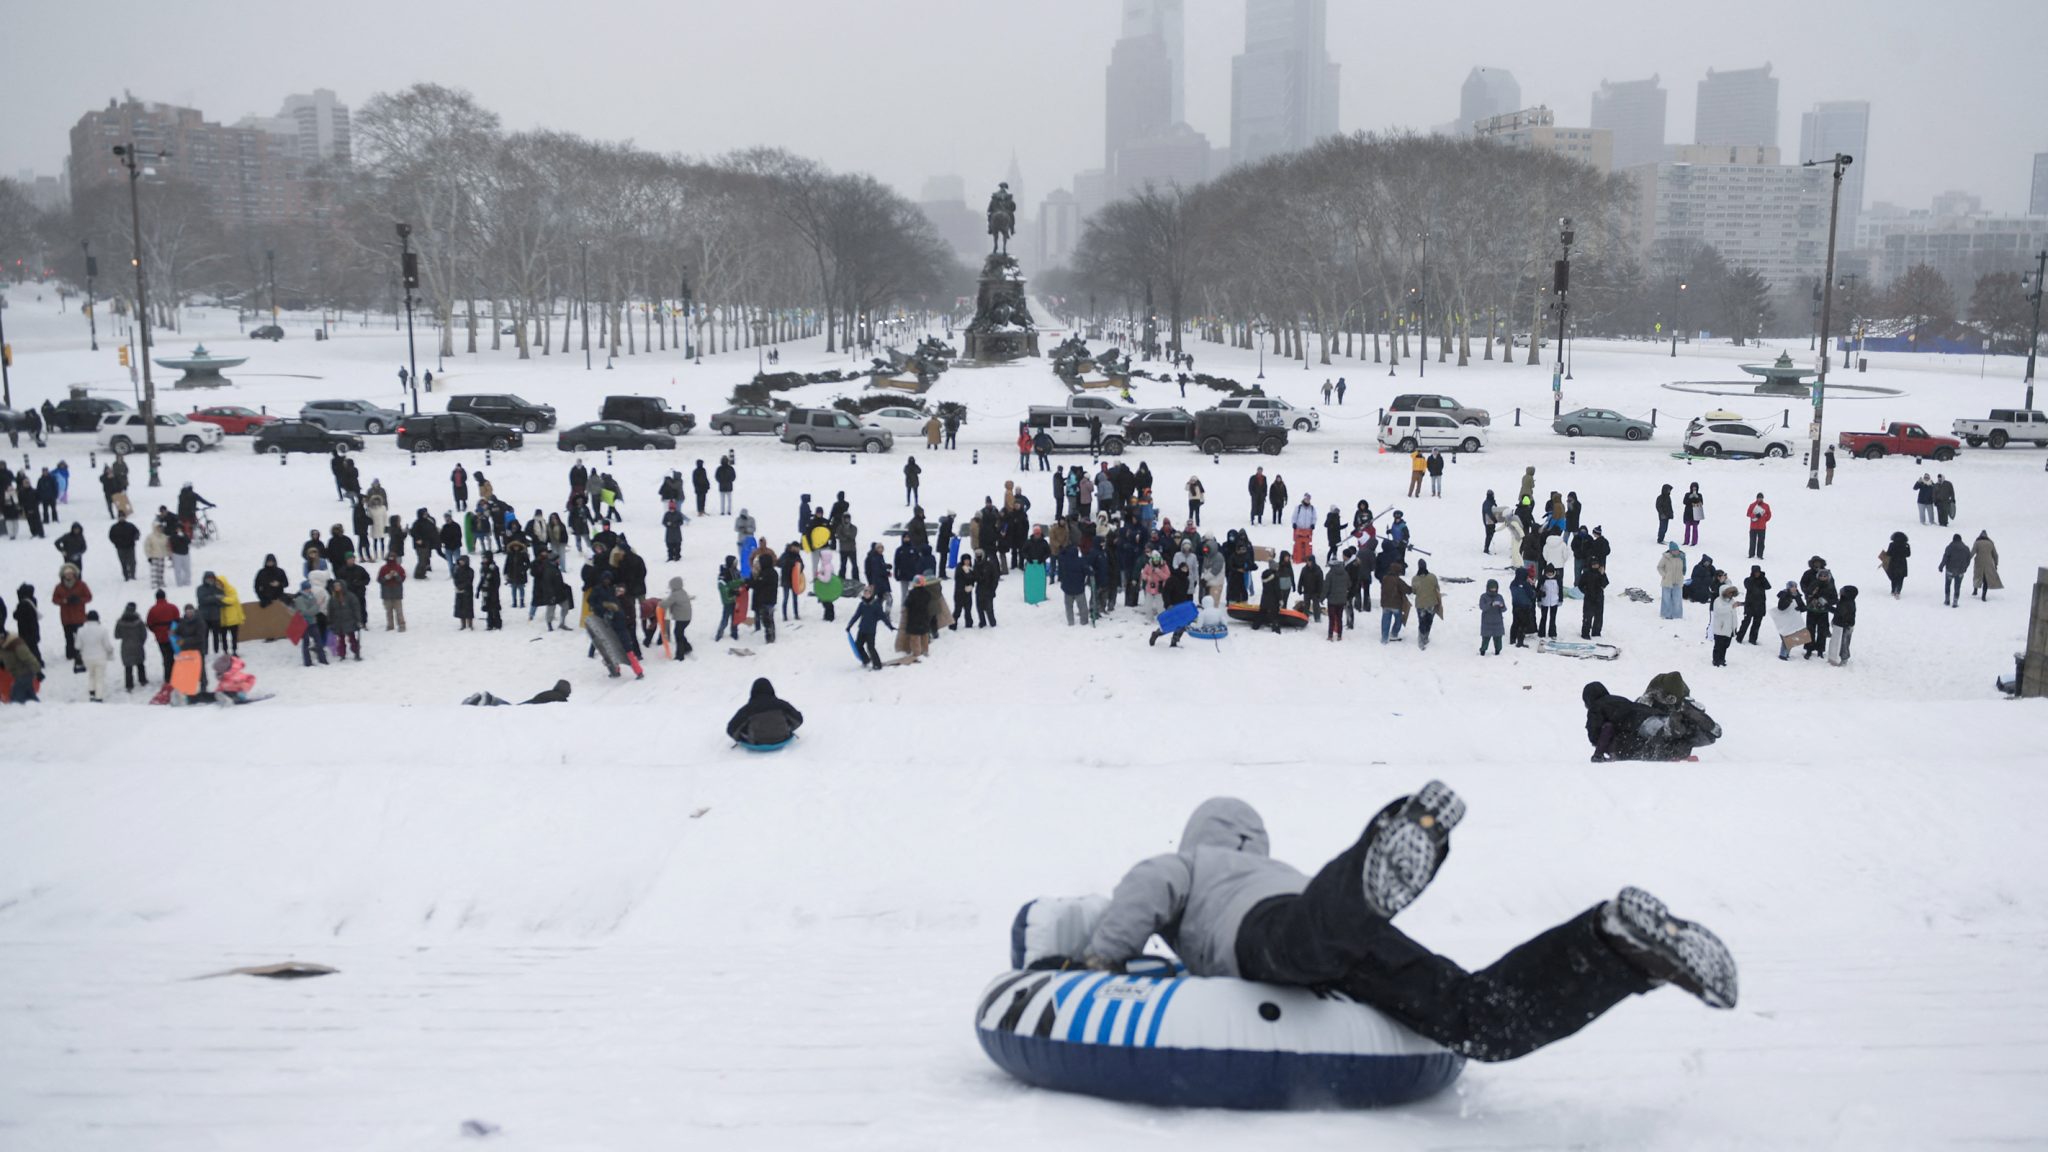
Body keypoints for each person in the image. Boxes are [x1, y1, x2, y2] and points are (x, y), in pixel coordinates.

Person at [1078, 791, 1735, 1065]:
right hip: (1337, 923)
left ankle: (1386, 846)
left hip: (1269, 933)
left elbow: (1147, 890)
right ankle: (1615, 944)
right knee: (1476, 1014)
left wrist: (1104, 959)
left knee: (1302, 942)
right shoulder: (1278, 868)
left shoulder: (1190, 862)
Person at [1583, 681, 1720, 762]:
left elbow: (1597, 731)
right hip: (1652, 713)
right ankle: (1702, 732)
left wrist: (1598, 753)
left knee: (1663, 733)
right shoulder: (1617, 699)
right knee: (1675, 737)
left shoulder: (1596, 707)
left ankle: (1676, 724)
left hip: (1639, 723)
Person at [51, 564, 92, 673]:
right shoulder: (59, 587)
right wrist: (63, 601)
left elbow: (89, 597)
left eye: (70, 573)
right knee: (68, 637)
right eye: (66, 574)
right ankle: (70, 654)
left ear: (74, 574)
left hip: (79, 616)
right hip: (66, 617)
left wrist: (79, 600)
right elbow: (54, 599)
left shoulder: (81, 585)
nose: (69, 576)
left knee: (80, 636)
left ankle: (82, 653)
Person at [846, 583, 894, 669]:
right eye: (865, 592)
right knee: (858, 645)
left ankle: (877, 664)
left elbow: (883, 617)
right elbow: (856, 615)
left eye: (868, 592)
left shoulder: (876, 605)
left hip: (871, 631)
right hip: (862, 629)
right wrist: (849, 625)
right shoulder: (862, 604)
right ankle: (866, 660)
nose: (866, 594)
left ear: (871, 594)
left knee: (870, 647)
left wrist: (889, 626)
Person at [76, 610, 113, 701]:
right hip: (100, 657)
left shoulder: (81, 630)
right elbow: (107, 645)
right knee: (99, 677)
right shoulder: (103, 630)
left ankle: (92, 693)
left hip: (87, 658)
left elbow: (77, 646)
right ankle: (98, 697)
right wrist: (110, 651)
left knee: (91, 675)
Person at [1411, 560, 1441, 650]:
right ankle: (1426, 637)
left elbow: (1414, 591)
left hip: (1420, 604)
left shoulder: (1415, 579)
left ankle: (1421, 640)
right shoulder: (1432, 577)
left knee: (1421, 621)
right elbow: (1437, 589)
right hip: (1431, 603)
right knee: (1429, 621)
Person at [1380, 560, 1411, 644]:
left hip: (1385, 603)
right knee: (1399, 620)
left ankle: (1384, 637)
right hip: (1396, 604)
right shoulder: (1398, 580)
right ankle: (1394, 633)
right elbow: (1407, 589)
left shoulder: (1385, 578)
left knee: (1385, 620)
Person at [1737, 565, 1769, 645]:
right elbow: (1748, 586)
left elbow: (1768, 586)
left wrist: (1763, 578)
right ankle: (1739, 637)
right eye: (1755, 572)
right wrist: (1754, 579)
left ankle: (1753, 639)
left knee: (1757, 624)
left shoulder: (1762, 580)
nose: (1757, 574)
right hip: (1750, 605)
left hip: (1760, 605)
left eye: (1758, 572)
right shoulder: (1748, 580)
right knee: (1746, 622)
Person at [1828, 586, 1858, 666]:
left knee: (1844, 643)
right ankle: (1836, 657)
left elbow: (1840, 613)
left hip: (1845, 626)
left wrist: (1828, 607)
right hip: (1840, 625)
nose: (1840, 593)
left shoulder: (1848, 603)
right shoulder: (1843, 601)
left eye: (1842, 592)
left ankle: (1844, 658)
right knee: (1837, 642)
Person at [1710, 587, 1740, 667]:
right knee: (1718, 646)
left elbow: (1734, 615)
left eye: (1732, 593)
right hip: (1720, 628)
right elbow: (1719, 611)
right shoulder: (1718, 601)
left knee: (1725, 646)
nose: (1730, 594)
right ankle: (1716, 660)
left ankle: (1722, 660)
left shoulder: (1732, 601)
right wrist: (1731, 607)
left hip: (1729, 629)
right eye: (1729, 592)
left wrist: (1735, 627)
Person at [1939, 533, 1970, 607]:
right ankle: (1955, 601)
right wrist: (1965, 567)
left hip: (1950, 569)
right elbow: (1968, 559)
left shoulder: (1950, 547)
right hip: (1960, 571)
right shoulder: (1966, 548)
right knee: (1957, 586)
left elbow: (1945, 558)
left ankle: (1947, 600)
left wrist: (1941, 566)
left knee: (1947, 584)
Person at [1657, 542, 1686, 620]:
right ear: (1671, 551)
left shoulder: (1682, 557)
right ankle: (1666, 614)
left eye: (1677, 550)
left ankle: (1677, 615)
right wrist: (1664, 575)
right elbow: (1659, 567)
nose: (1676, 552)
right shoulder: (1665, 557)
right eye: (1674, 550)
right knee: (1666, 599)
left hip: (1678, 581)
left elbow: (1684, 568)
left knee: (1677, 600)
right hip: (1667, 582)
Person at [109, 512, 140, 582]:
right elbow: (111, 536)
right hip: (120, 548)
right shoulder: (114, 527)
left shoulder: (130, 525)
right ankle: (126, 576)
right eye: (120, 516)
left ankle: (132, 575)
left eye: (123, 516)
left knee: (132, 562)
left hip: (130, 547)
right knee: (123, 562)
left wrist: (136, 537)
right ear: (118, 518)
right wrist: (116, 542)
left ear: (125, 517)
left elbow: (137, 532)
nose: (121, 518)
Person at [1971, 532, 2002, 601]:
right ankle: (1983, 596)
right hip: (1988, 563)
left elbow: (1972, 552)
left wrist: (1967, 559)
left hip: (1979, 562)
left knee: (1977, 576)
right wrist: (1996, 564)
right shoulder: (1990, 543)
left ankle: (1975, 590)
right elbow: (1995, 555)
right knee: (1986, 579)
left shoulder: (1977, 542)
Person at [1881, 531, 1911, 598]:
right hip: (1902, 563)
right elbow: (1908, 555)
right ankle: (1898, 591)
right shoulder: (1906, 545)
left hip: (1893, 563)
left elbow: (1889, 553)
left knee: (1894, 578)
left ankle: (1893, 590)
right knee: (1901, 578)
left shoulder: (1892, 544)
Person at [1744, 493, 1770, 559]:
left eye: (1761, 498)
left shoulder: (1766, 506)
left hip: (1762, 527)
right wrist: (1754, 516)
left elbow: (1769, 514)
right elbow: (1748, 513)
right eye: (1759, 498)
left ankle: (1760, 555)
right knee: (1752, 541)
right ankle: (1751, 554)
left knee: (1761, 542)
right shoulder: (1752, 505)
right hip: (1753, 527)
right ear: (1756, 498)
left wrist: (1764, 520)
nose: (1760, 499)